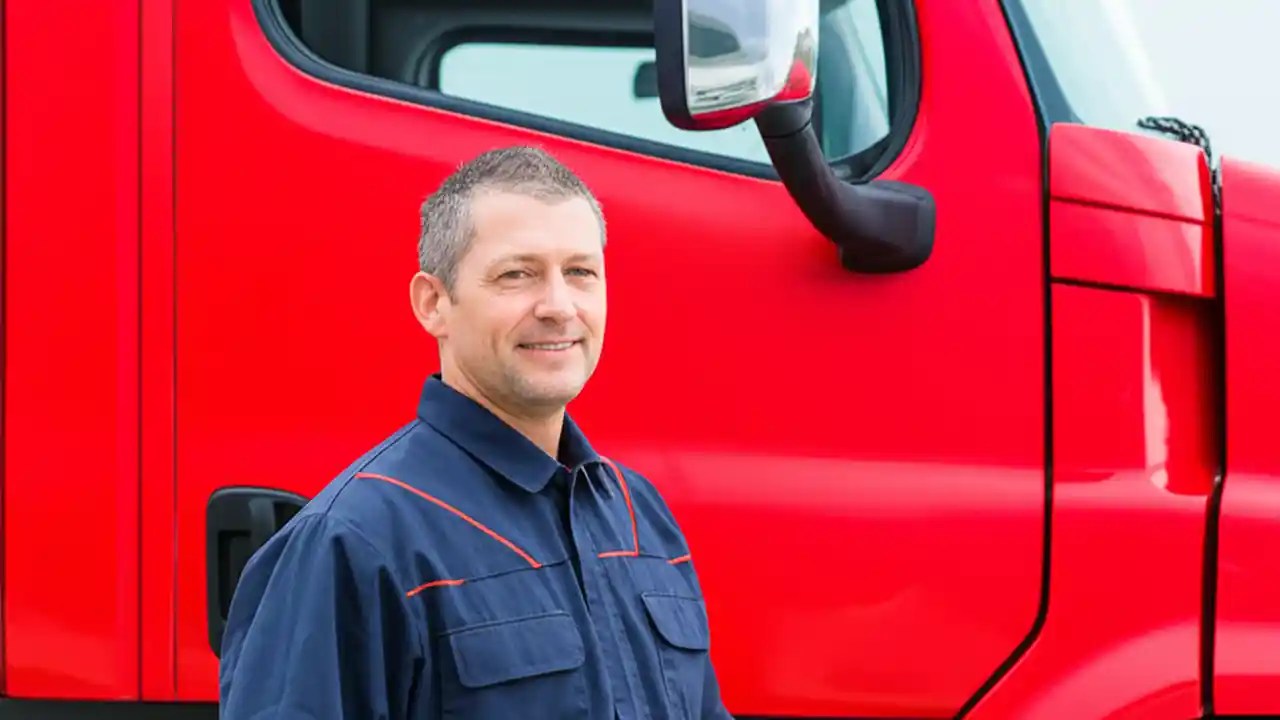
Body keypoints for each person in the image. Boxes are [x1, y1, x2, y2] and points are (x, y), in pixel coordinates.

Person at [218, 146, 733, 719]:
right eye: (518, 274)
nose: (559, 306)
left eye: (581, 272)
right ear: (433, 303)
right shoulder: (354, 541)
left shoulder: (641, 519)